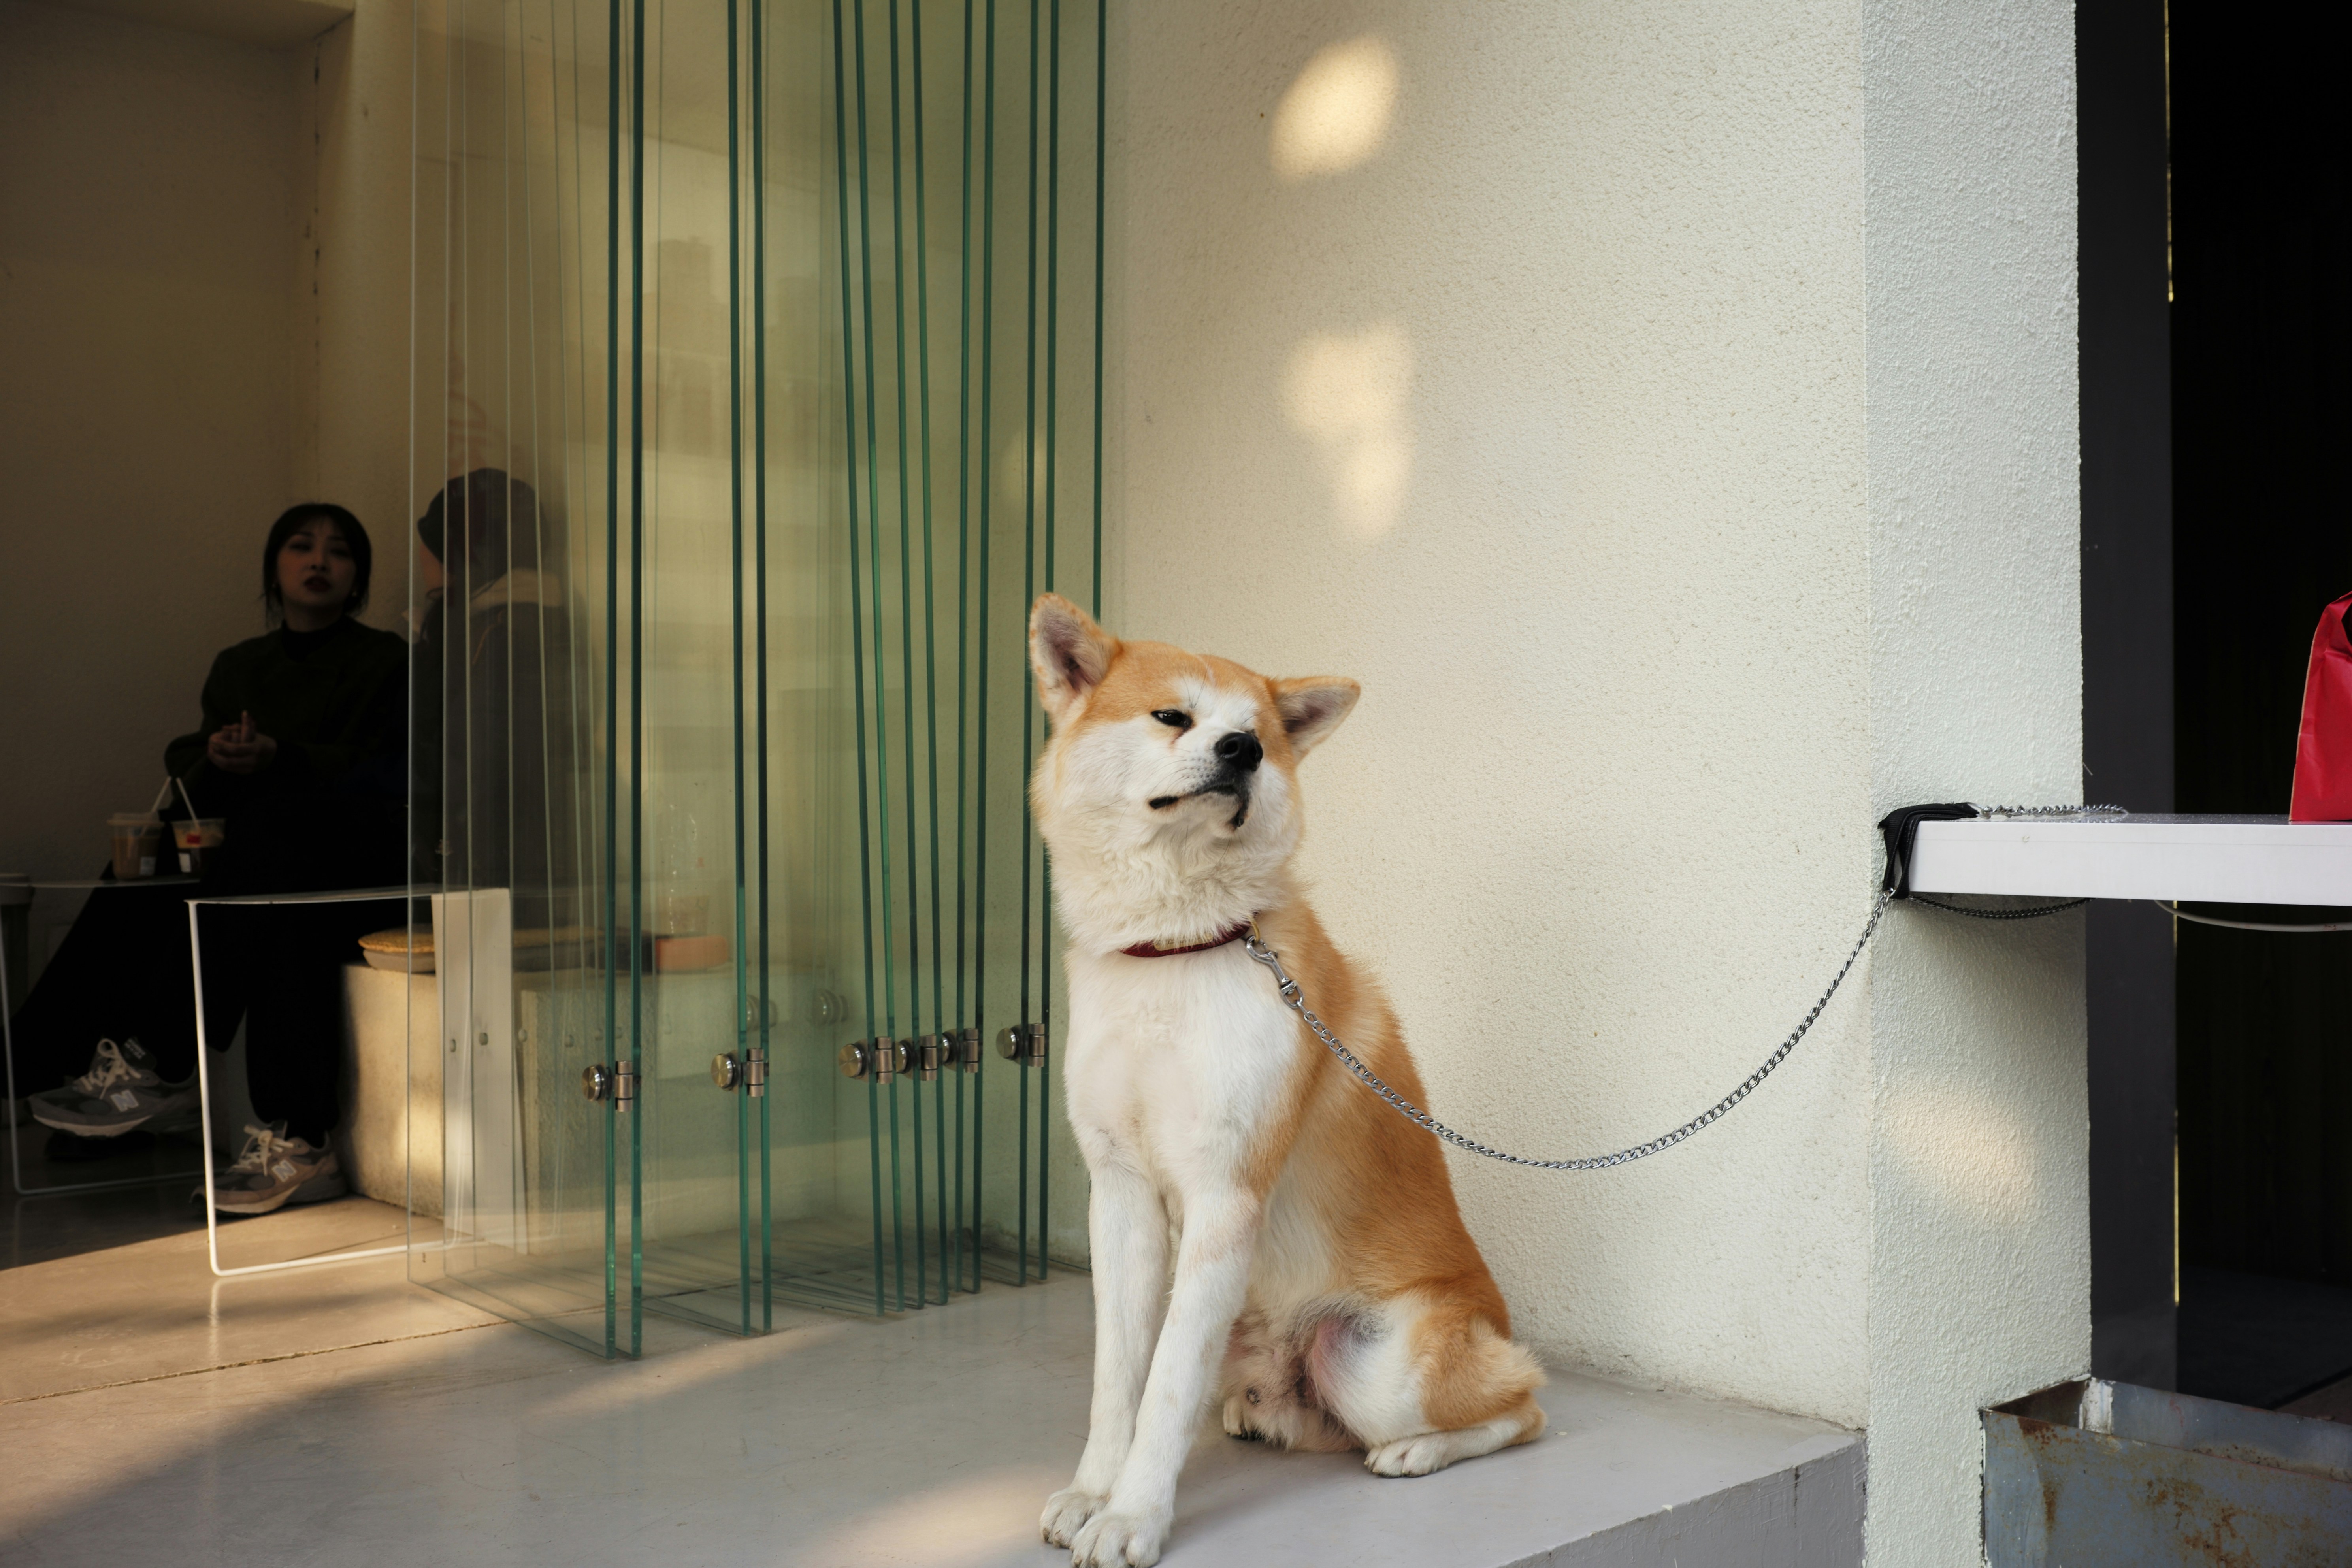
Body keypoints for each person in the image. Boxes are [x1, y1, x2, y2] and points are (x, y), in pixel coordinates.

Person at [10, 503, 406, 1215]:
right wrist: (221, 754)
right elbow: (192, 758)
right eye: (301, 546)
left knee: (261, 841)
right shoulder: (241, 665)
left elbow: (389, 772)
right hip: (258, 851)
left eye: (340, 551)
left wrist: (283, 757)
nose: (319, 561)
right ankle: (85, 1064)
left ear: (358, 578)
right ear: (274, 570)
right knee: (166, 843)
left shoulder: (384, 659)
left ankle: (152, 1061)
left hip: (350, 853)